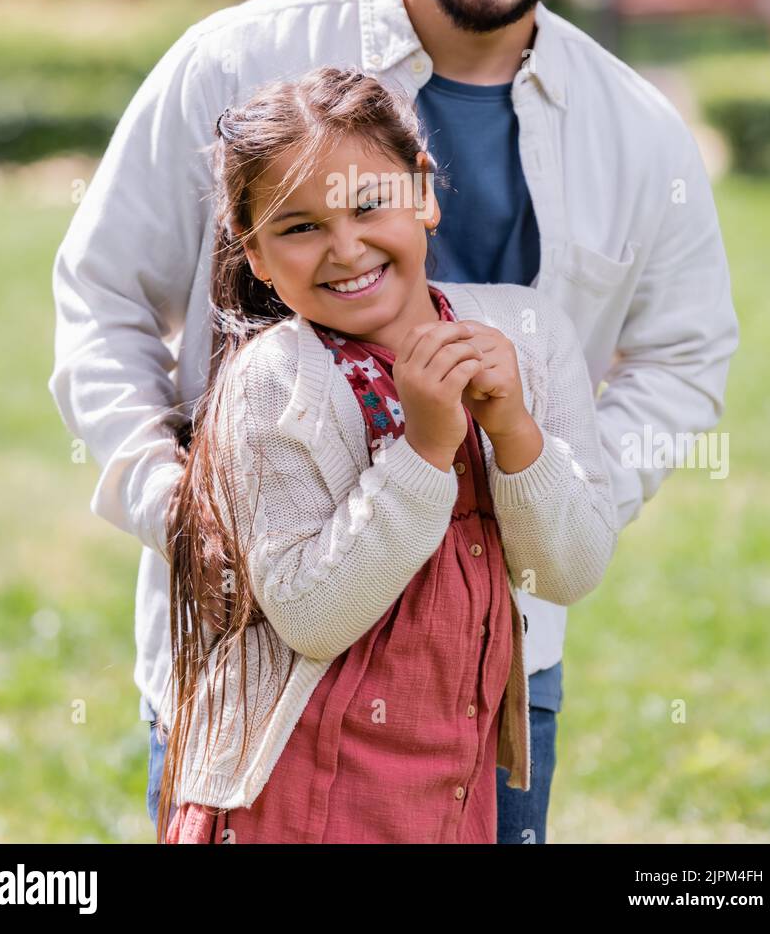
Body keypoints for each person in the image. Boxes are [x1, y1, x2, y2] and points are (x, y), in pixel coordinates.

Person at [48, 0, 739, 844]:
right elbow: (101, 298)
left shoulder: (637, 131)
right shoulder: (234, 62)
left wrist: (578, 494)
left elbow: (685, 350)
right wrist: (177, 506)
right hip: (257, 662)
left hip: (494, 676)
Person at [156, 66, 616, 844]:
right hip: (302, 789)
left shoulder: (526, 336)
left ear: (425, 194)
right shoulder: (272, 383)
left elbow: (567, 570)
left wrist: (512, 431)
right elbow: (311, 613)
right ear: (257, 255)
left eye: (370, 206)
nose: (344, 247)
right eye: (298, 227)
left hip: (449, 781)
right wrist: (427, 449)